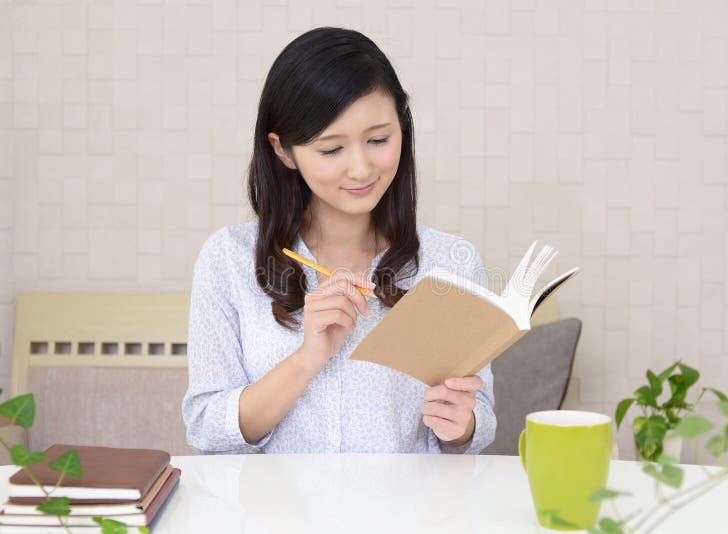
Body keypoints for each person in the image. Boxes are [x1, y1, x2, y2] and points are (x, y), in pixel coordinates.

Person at [182, 27, 496, 454]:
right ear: (283, 150)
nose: (362, 169)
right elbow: (206, 427)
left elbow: (477, 426)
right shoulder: (229, 259)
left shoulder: (451, 262)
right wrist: (307, 358)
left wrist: (461, 425)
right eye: (332, 149)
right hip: (275, 517)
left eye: (378, 140)